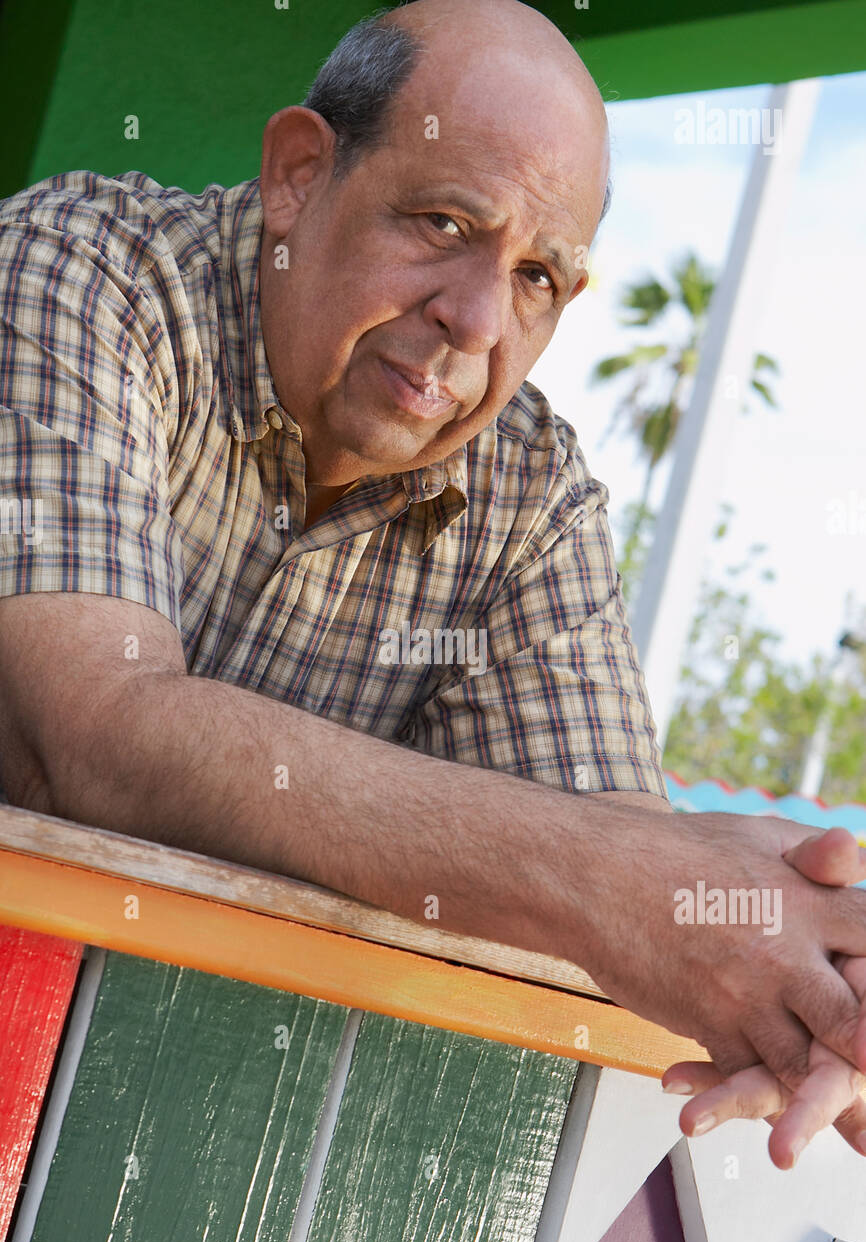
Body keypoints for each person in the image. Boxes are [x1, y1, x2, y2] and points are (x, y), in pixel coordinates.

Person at [0, 0, 864, 1172]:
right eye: (444, 222)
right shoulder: (81, 272)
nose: (475, 318)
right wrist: (620, 882)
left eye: (536, 277)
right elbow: (93, 739)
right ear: (298, 174)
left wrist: (807, 965)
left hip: (157, 1131)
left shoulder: (530, 489)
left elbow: (611, 845)